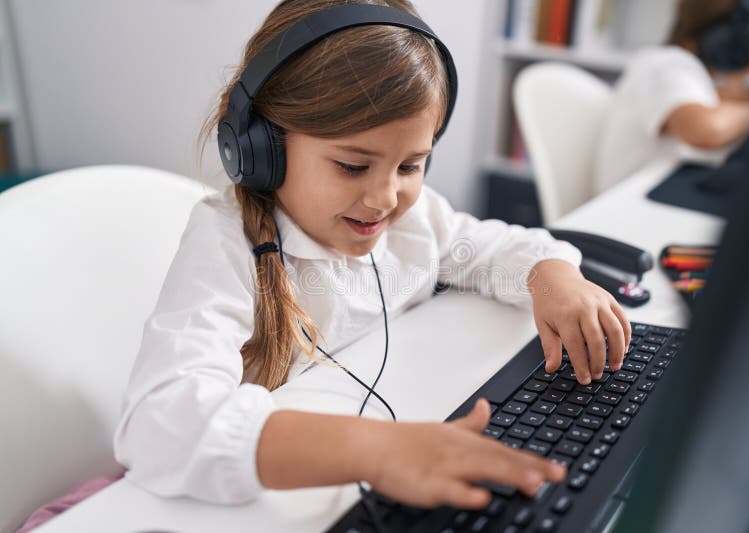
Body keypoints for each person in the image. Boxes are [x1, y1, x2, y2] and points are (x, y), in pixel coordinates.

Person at [111, 0, 631, 514]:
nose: (386, 198)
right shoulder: (226, 243)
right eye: (353, 166)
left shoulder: (416, 219)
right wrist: (375, 450)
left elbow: (493, 249)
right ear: (260, 148)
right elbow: (159, 423)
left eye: (410, 165)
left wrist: (553, 277)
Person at [594, 0, 749, 193]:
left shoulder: (692, 76)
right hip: (622, 214)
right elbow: (707, 131)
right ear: (738, 39)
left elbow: (730, 97)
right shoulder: (666, 64)